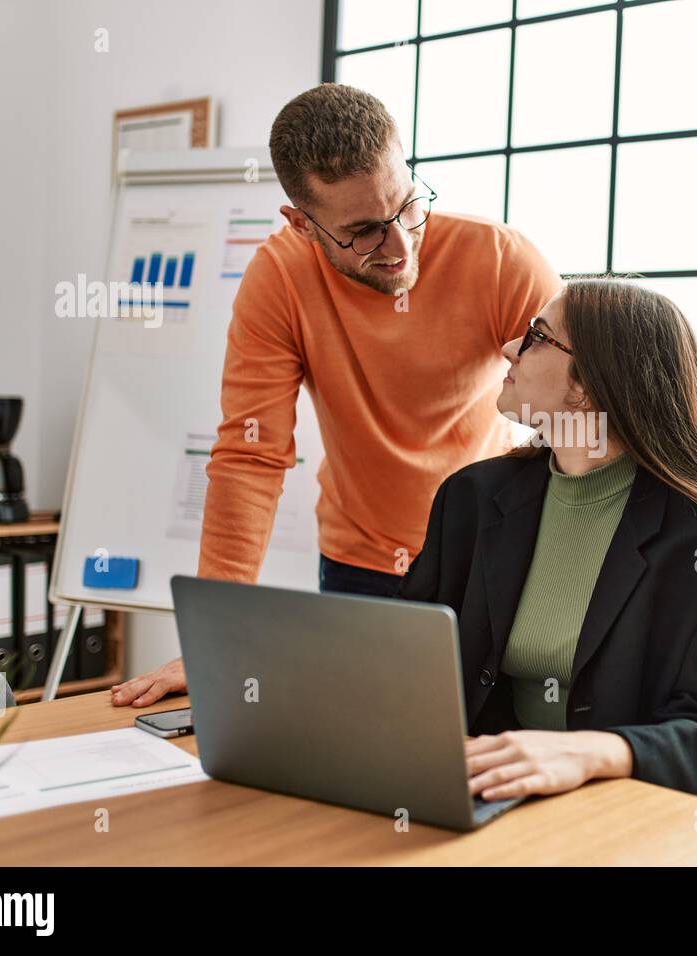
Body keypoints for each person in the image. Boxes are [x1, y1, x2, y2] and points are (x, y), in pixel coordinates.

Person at [111, 83, 560, 708]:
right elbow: (249, 457)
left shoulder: (499, 259)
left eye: (407, 207)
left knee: (493, 757)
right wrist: (214, 635)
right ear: (302, 224)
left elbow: (578, 412)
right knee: (362, 759)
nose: (401, 245)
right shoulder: (279, 280)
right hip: (360, 564)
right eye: (365, 232)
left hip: (492, 555)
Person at [399, 279, 697, 809]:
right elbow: (406, 661)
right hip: (490, 803)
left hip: (637, 818)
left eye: (536, 336)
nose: (509, 348)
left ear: (585, 386)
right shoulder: (471, 498)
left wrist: (588, 753)